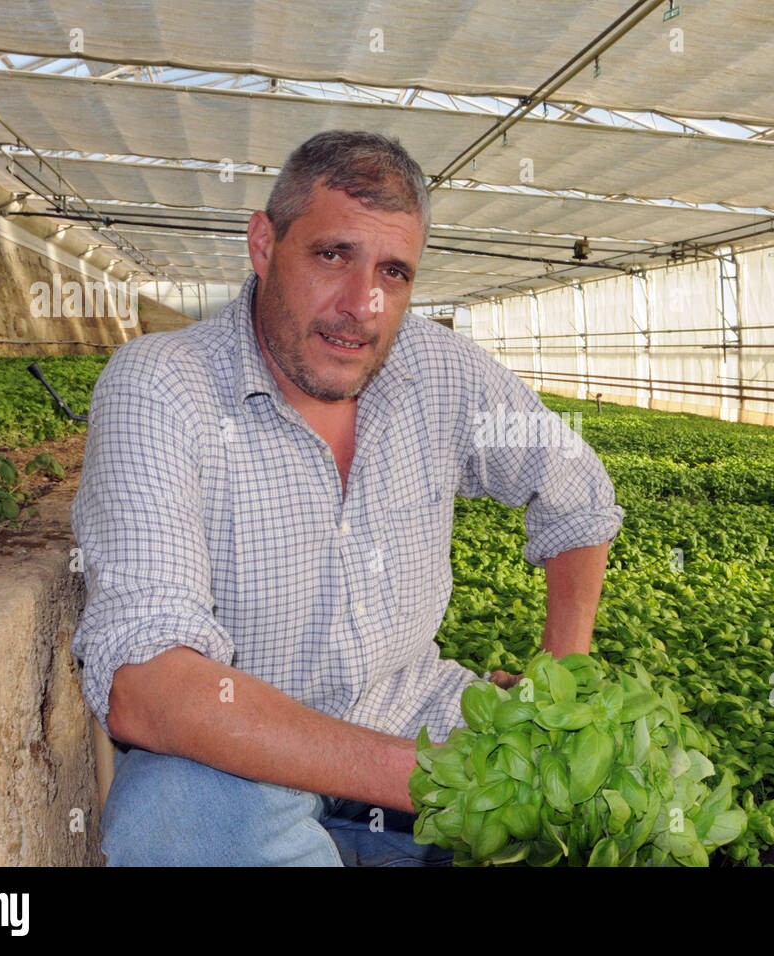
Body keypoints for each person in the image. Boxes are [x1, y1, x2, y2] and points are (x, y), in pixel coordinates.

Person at [70, 129, 624, 866]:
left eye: (394, 272)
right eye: (333, 255)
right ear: (264, 244)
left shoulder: (438, 369)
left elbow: (576, 490)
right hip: (240, 760)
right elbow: (148, 686)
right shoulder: (163, 385)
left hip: (413, 716)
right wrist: (431, 775)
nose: (363, 304)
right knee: (180, 816)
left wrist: (560, 685)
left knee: (602, 808)